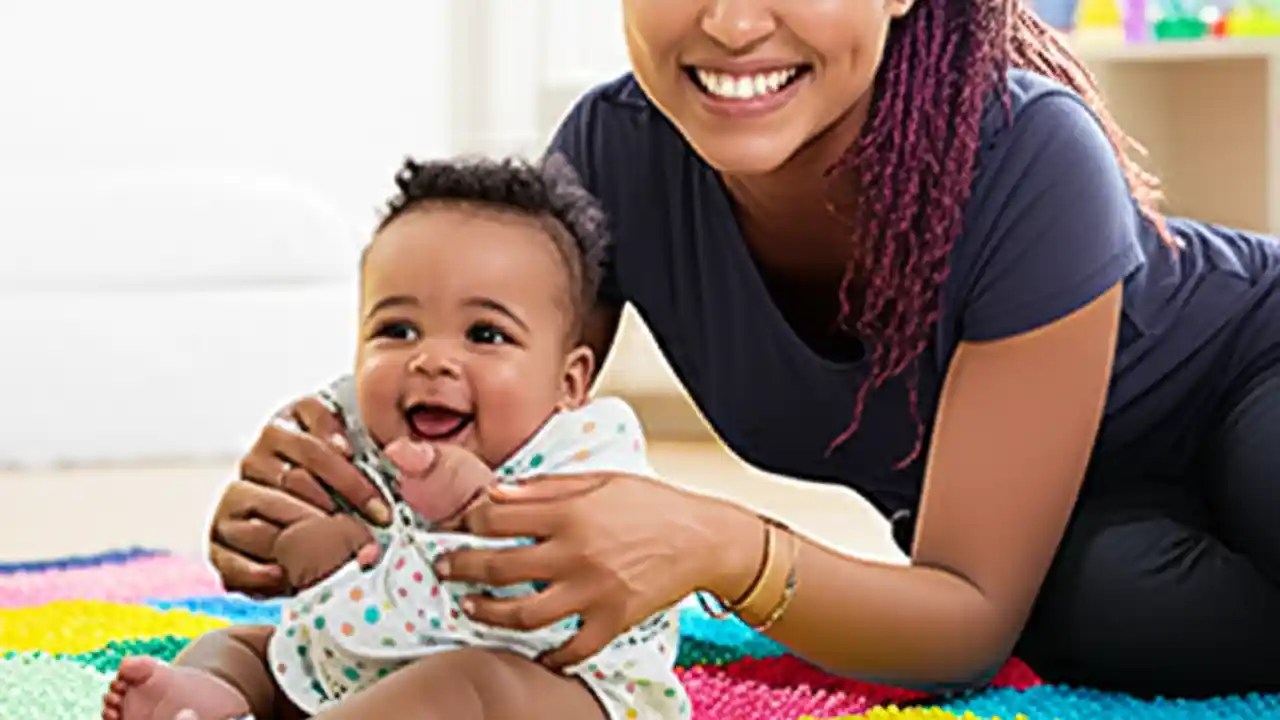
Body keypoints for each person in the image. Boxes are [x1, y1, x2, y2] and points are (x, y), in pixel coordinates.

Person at [213, 0, 1280, 701]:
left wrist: (725, 546)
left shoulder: (1025, 151)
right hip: (1094, 524)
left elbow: (956, 628)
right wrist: (329, 480)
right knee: (1116, 619)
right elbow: (492, 449)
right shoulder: (610, 159)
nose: (730, 22)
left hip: (1251, 372)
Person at [104, 156, 689, 720]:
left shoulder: (587, 457)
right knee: (245, 647)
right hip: (365, 669)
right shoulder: (354, 429)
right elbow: (301, 536)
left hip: (555, 685)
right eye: (397, 329)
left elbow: (559, 600)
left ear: (568, 382)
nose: (432, 359)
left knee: (470, 683)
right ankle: (200, 699)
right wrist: (303, 542)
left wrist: (473, 507)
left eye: (485, 334)